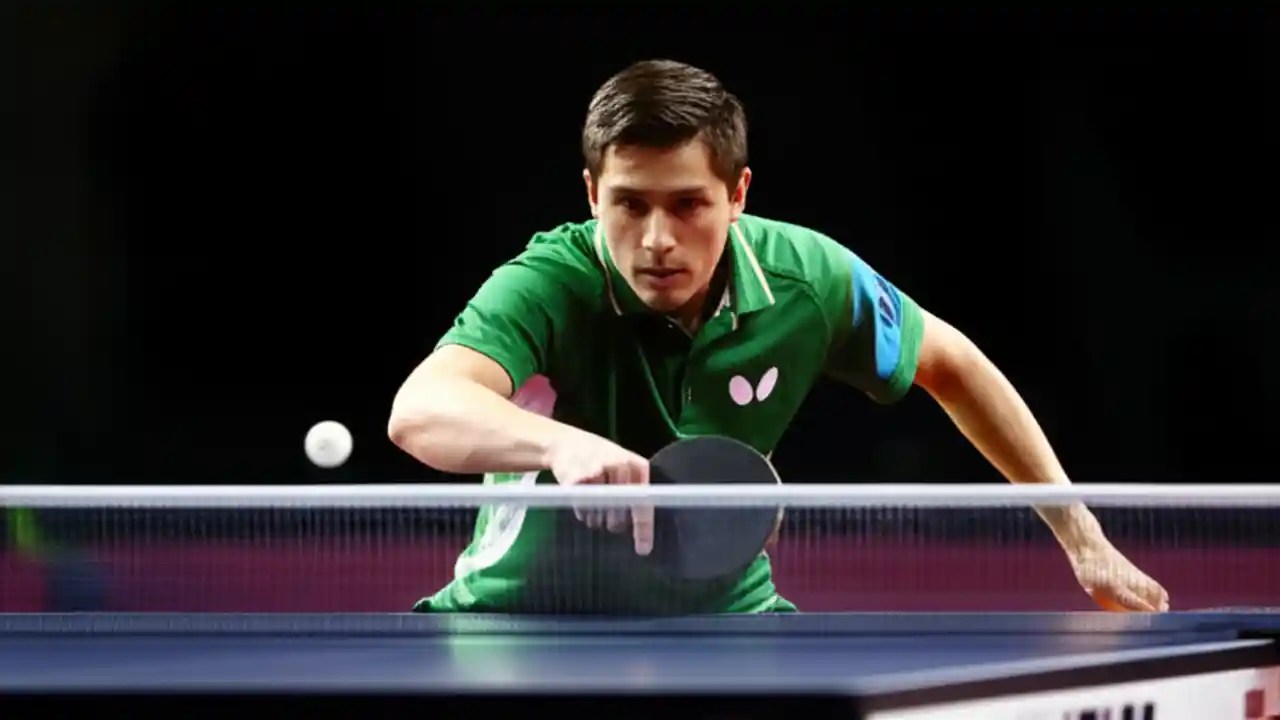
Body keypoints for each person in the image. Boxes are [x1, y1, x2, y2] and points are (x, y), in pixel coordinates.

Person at [388, 58, 1169, 615]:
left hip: (731, 621)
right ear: (593, 194)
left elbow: (953, 363)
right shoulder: (549, 281)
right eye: (629, 204)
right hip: (523, 617)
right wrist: (559, 446)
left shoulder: (805, 277)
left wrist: (1081, 534)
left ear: (738, 194)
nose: (657, 239)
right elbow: (421, 410)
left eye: (689, 205)